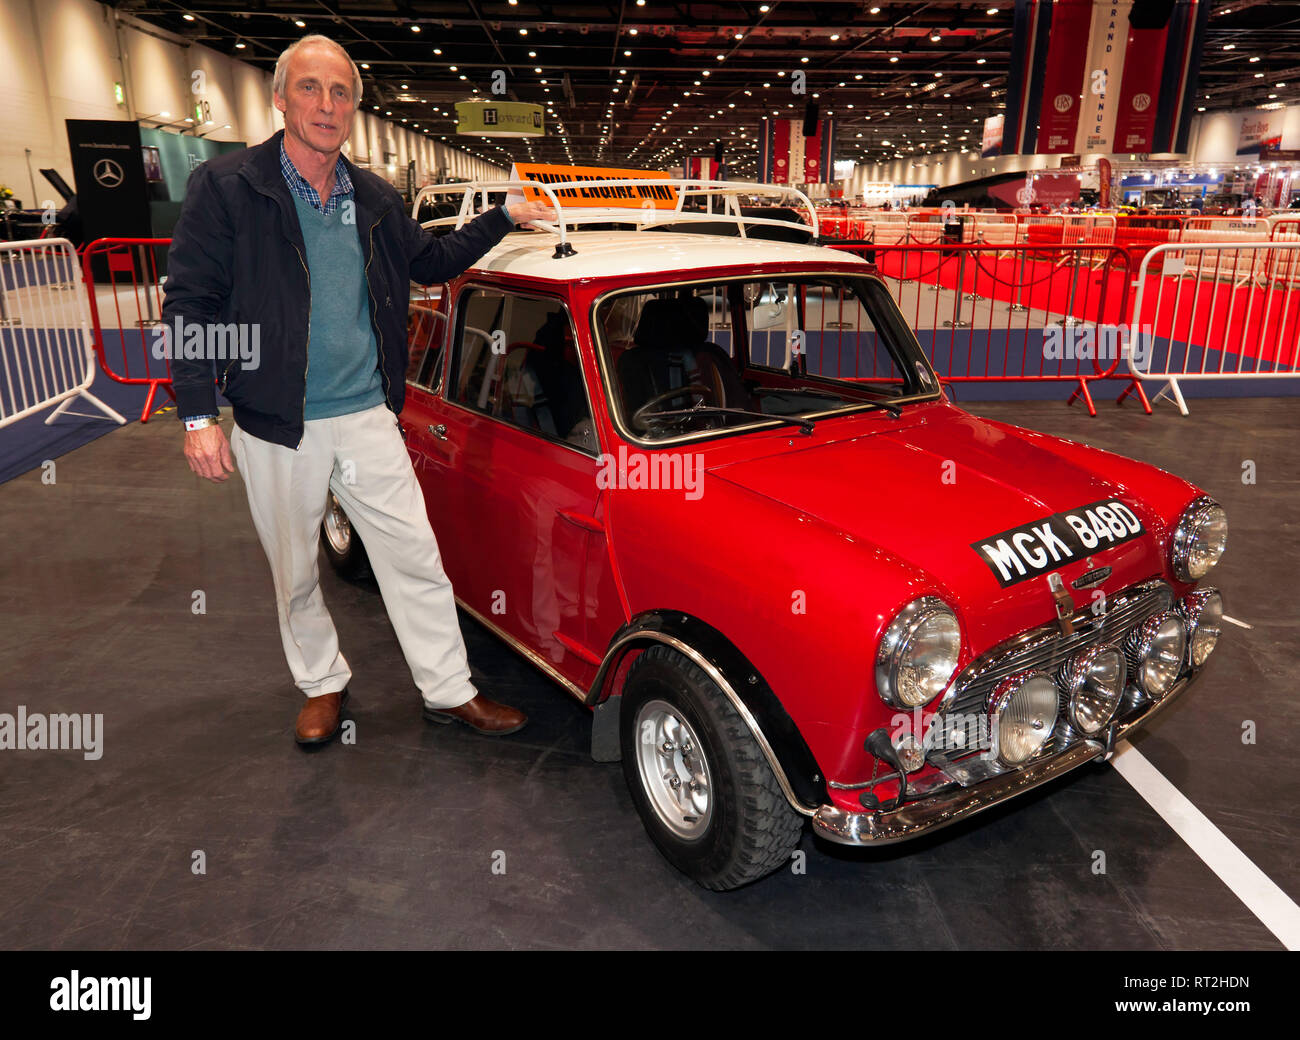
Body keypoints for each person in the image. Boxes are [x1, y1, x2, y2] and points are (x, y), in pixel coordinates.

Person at [164, 34, 556, 746]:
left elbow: (430, 262)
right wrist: (197, 412)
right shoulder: (229, 187)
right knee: (294, 571)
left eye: (341, 92)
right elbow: (191, 300)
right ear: (280, 98)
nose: (327, 105)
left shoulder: (374, 195)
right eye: (311, 88)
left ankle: (449, 689)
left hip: (369, 413)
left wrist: (502, 217)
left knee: (416, 557)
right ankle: (322, 683)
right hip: (276, 422)